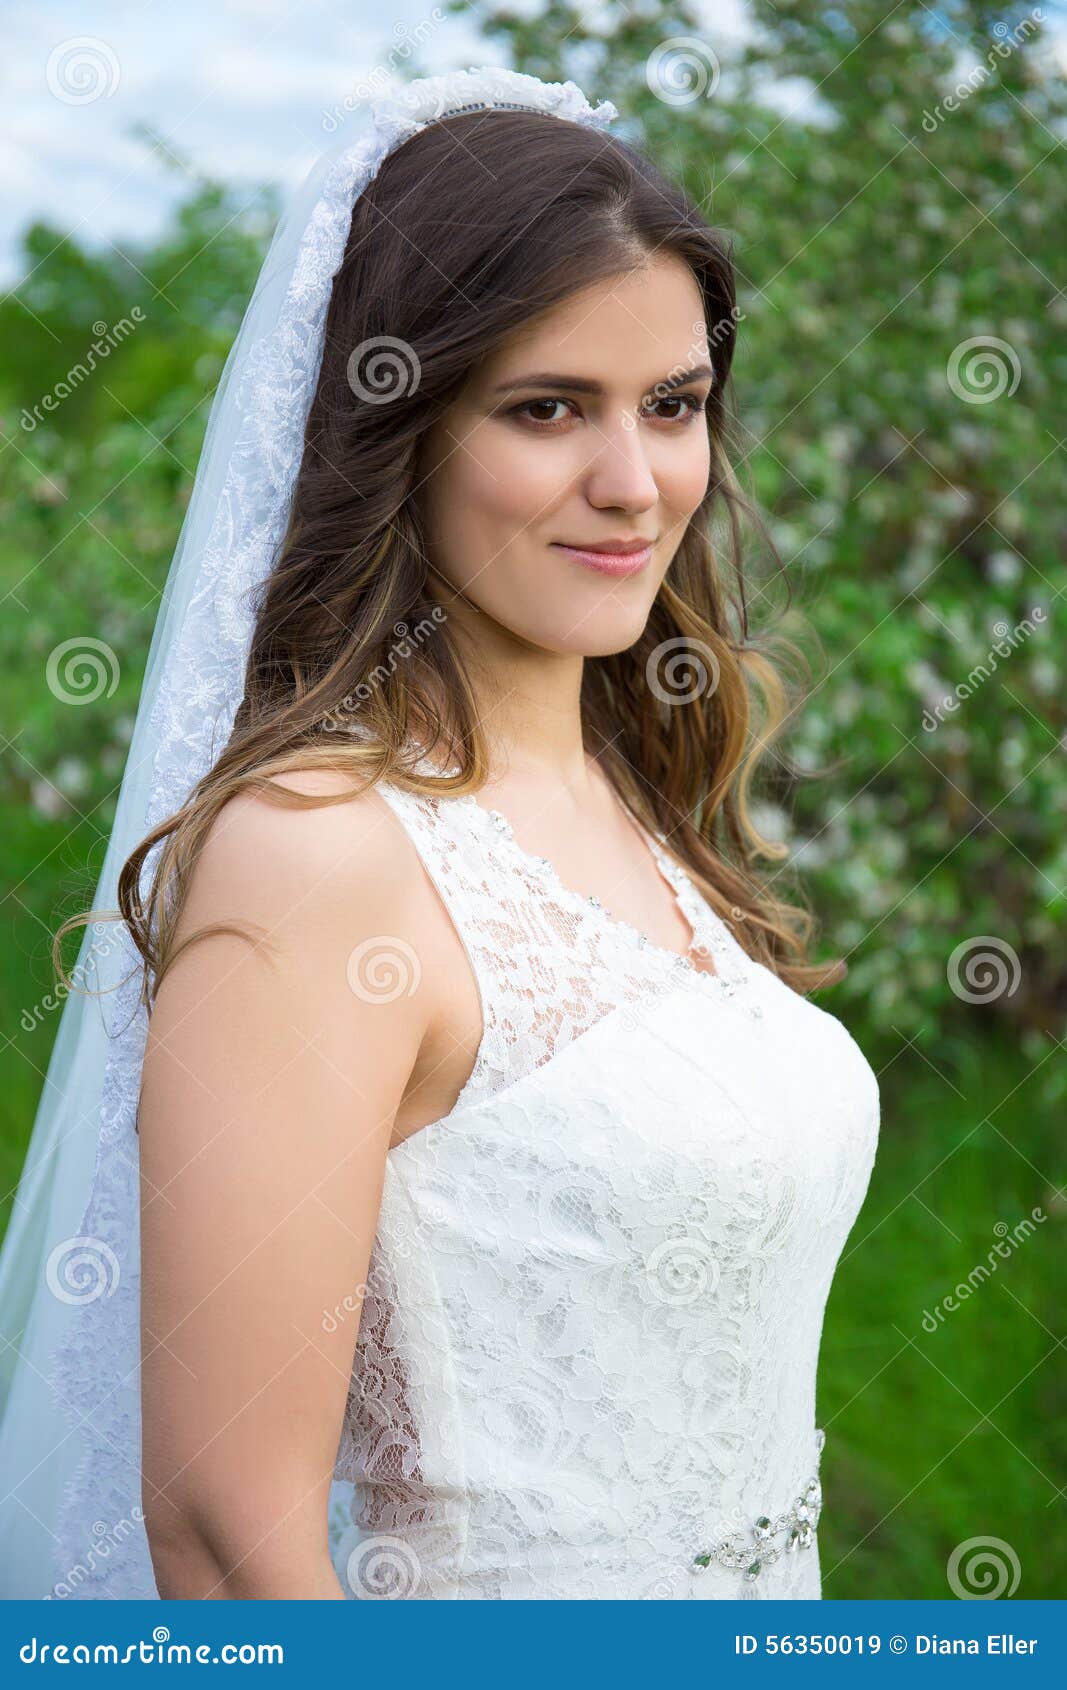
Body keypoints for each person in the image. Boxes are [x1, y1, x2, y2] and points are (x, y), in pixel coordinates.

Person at [0, 64, 880, 1601]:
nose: (635, 483)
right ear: (398, 431)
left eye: (673, 406)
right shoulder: (320, 855)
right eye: (548, 409)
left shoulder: (643, 800)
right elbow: (223, 1536)